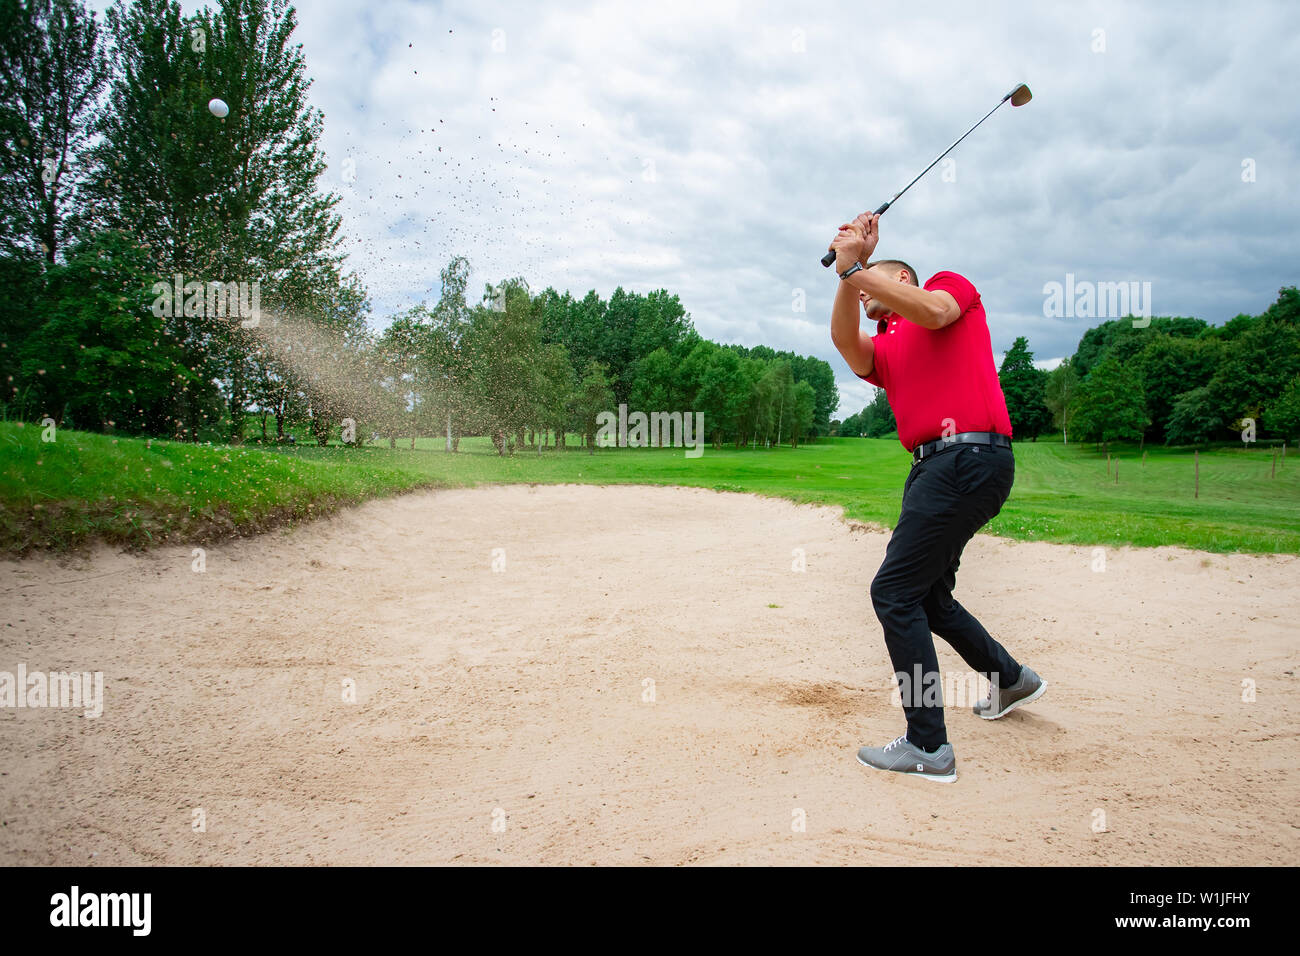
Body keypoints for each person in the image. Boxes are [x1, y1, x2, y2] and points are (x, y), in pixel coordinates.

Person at [828, 213, 1046, 783]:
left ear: (902, 275)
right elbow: (843, 342)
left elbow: (934, 310)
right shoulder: (886, 348)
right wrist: (849, 275)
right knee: (927, 599)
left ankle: (928, 746)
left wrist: (858, 266)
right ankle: (1009, 677)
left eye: (876, 281)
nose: (867, 296)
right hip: (936, 470)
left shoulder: (948, 288)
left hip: (965, 459)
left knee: (892, 592)